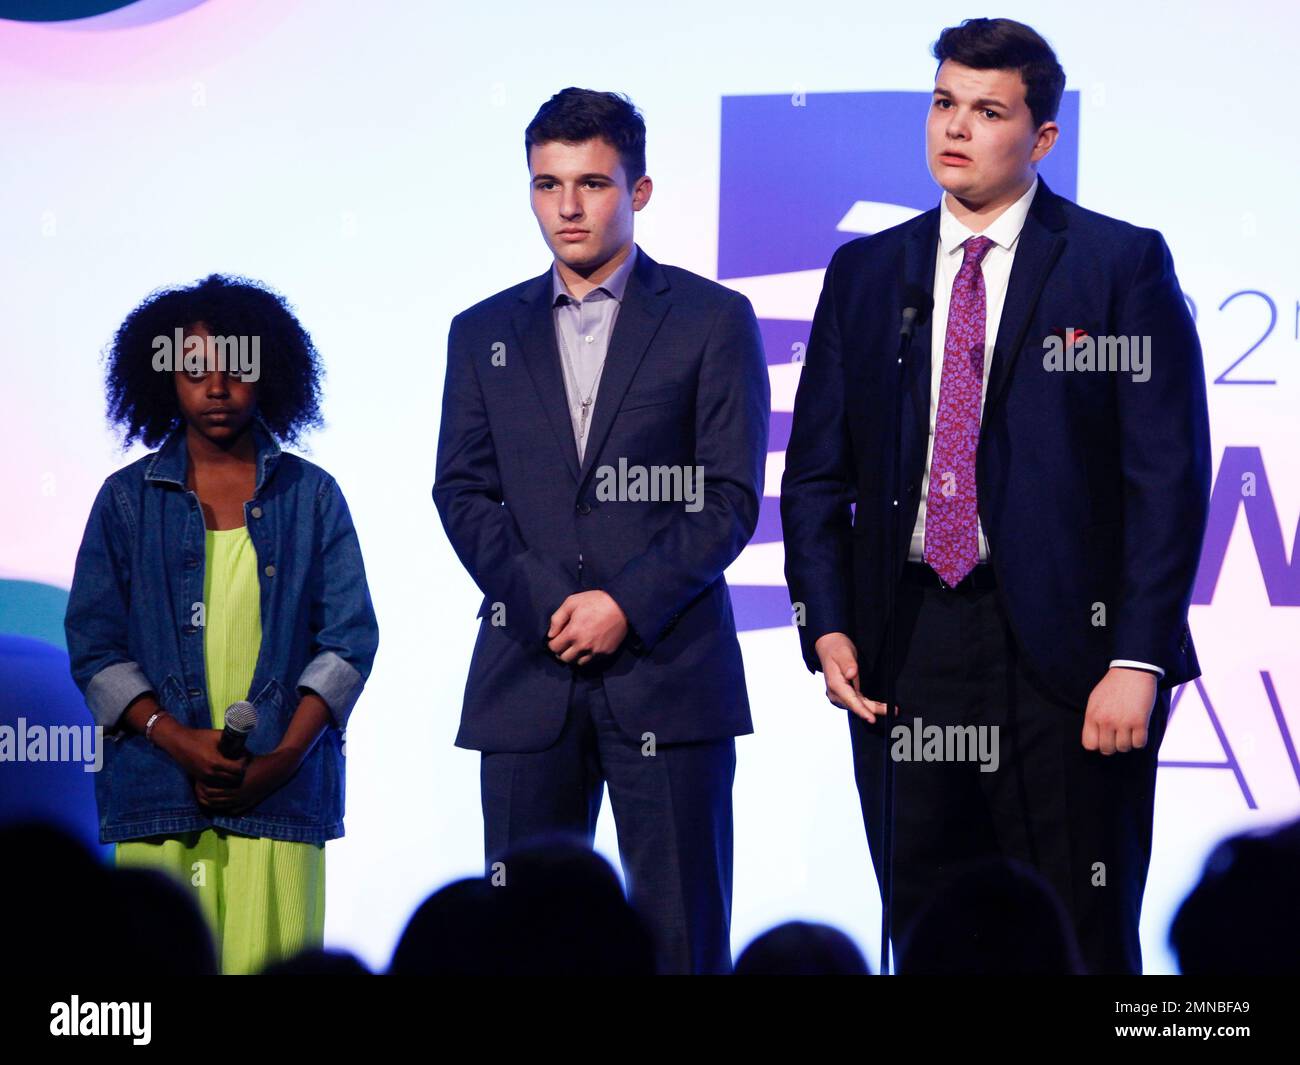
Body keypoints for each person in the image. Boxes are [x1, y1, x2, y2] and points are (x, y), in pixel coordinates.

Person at [781, 18, 1210, 974]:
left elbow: (1167, 481)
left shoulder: (1119, 264)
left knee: (1080, 935)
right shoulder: (865, 272)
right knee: (928, 925)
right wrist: (828, 624)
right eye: (943, 103)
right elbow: (815, 474)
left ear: (1043, 137)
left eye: (987, 109)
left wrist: (1137, 657)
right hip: (907, 645)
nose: (956, 128)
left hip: (1072, 657)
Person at [434, 88, 769, 973]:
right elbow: (462, 491)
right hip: (525, 669)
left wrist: (623, 602)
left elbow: (730, 495)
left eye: (591, 183)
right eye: (547, 184)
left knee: (681, 939)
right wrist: (553, 602)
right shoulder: (481, 332)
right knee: (516, 947)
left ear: (641, 190)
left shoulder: (711, 319)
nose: (567, 207)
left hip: (669, 666)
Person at [65, 274, 379, 974]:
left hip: (282, 799)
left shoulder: (313, 496)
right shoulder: (124, 503)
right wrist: (175, 739)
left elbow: (349, 641)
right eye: (195, 369)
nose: (216, 387)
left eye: (237, 368)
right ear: (164, 377)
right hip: (160, 798)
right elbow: (94, 645)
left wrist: (278, 761)